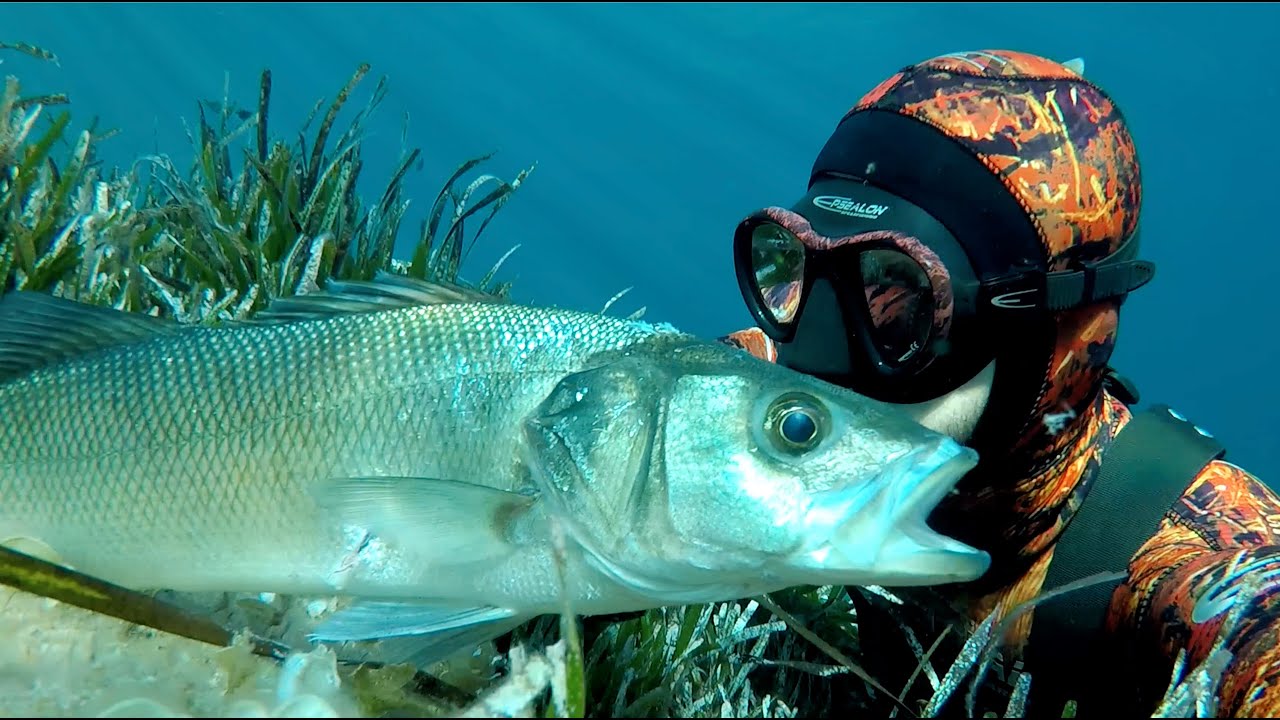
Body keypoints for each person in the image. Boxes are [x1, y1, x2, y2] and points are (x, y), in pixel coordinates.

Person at [720, 49, 1279, 717]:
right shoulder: (751, 391)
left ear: (1061, 331)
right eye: (795, 266)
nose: (813, 352)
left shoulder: (1186, 560)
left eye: (901, 290)